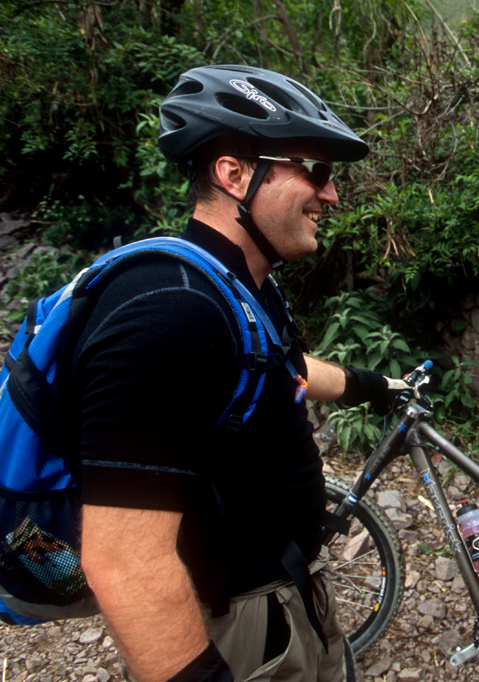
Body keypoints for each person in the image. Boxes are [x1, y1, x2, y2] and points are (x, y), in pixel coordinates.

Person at [76, 65, 404, 682]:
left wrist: (372, 385)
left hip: (291, 592)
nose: (331, 195)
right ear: (234, 174)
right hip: (237, 622)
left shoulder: (236, 292)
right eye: (316, 171)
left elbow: (279, 370)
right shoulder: (169, 309)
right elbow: (123, 562)